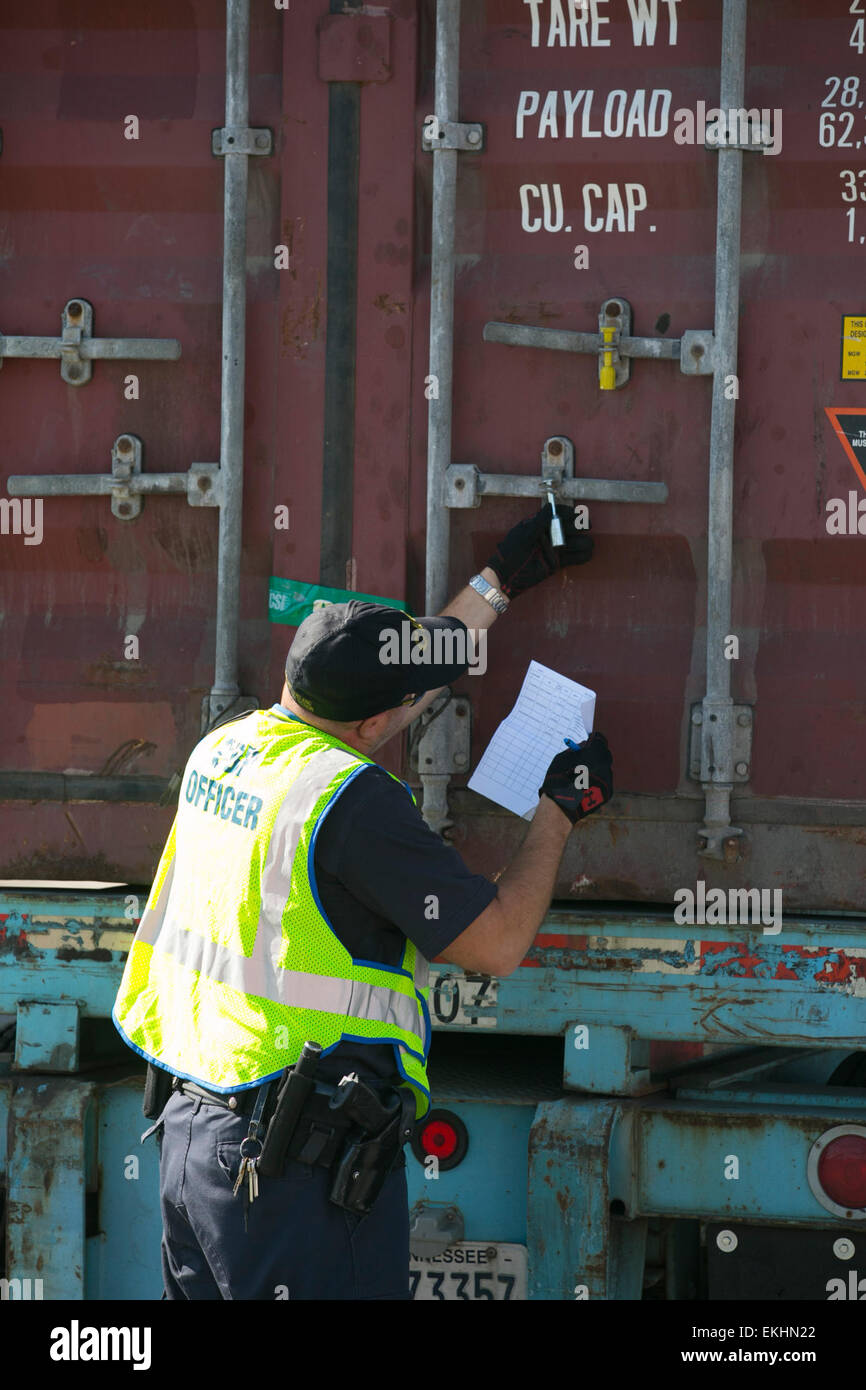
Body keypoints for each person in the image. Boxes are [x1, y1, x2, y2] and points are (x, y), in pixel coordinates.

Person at [112, 504, 613, 1301]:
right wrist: (559, 811)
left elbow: (392, 689)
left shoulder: (230, 743)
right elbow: (497, 945)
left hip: (189, 1143)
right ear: (375, 723)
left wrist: (502, 581)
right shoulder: (351, 802)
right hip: (291, 1179)